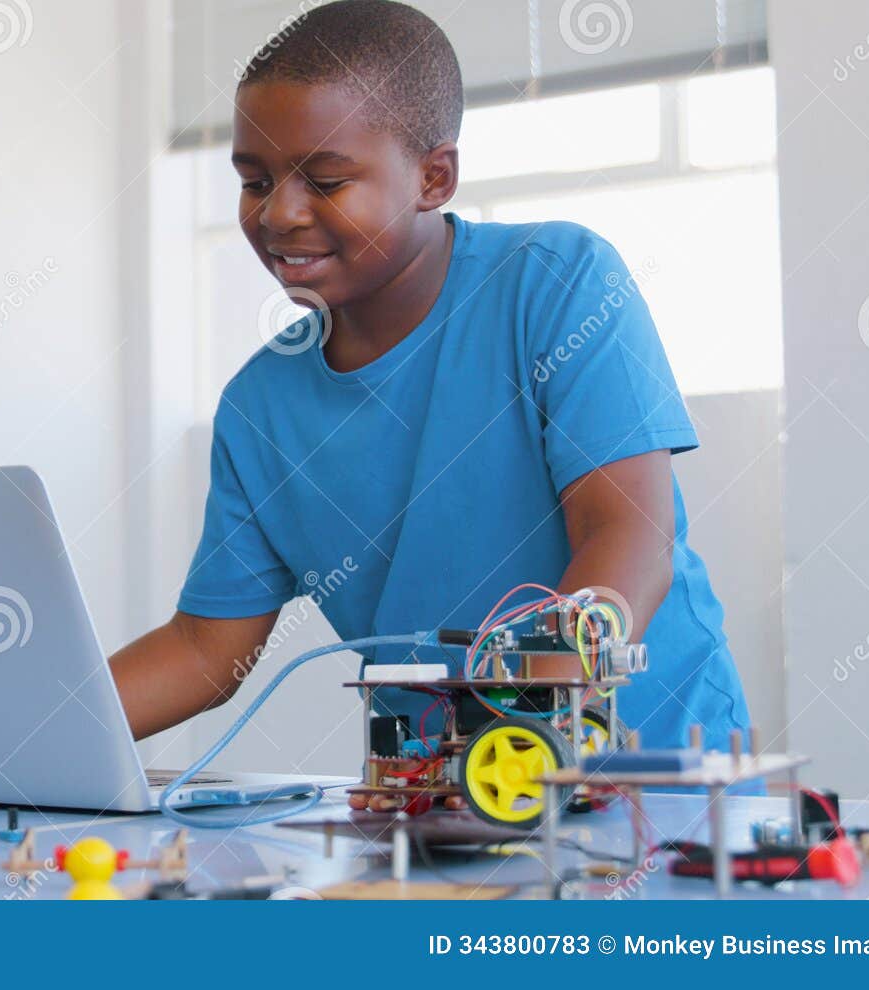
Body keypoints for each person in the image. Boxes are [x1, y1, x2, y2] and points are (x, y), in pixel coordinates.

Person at [107, 0, 750, 753]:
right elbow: (204, 649)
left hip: (653, 756)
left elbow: (628, 533)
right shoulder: (259, 406)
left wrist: (533, 712)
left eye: (326, 181)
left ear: (434, 177)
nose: (279, 214)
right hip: (439, 785)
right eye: (255, 181)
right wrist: (25, 733)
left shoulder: (555, 282)